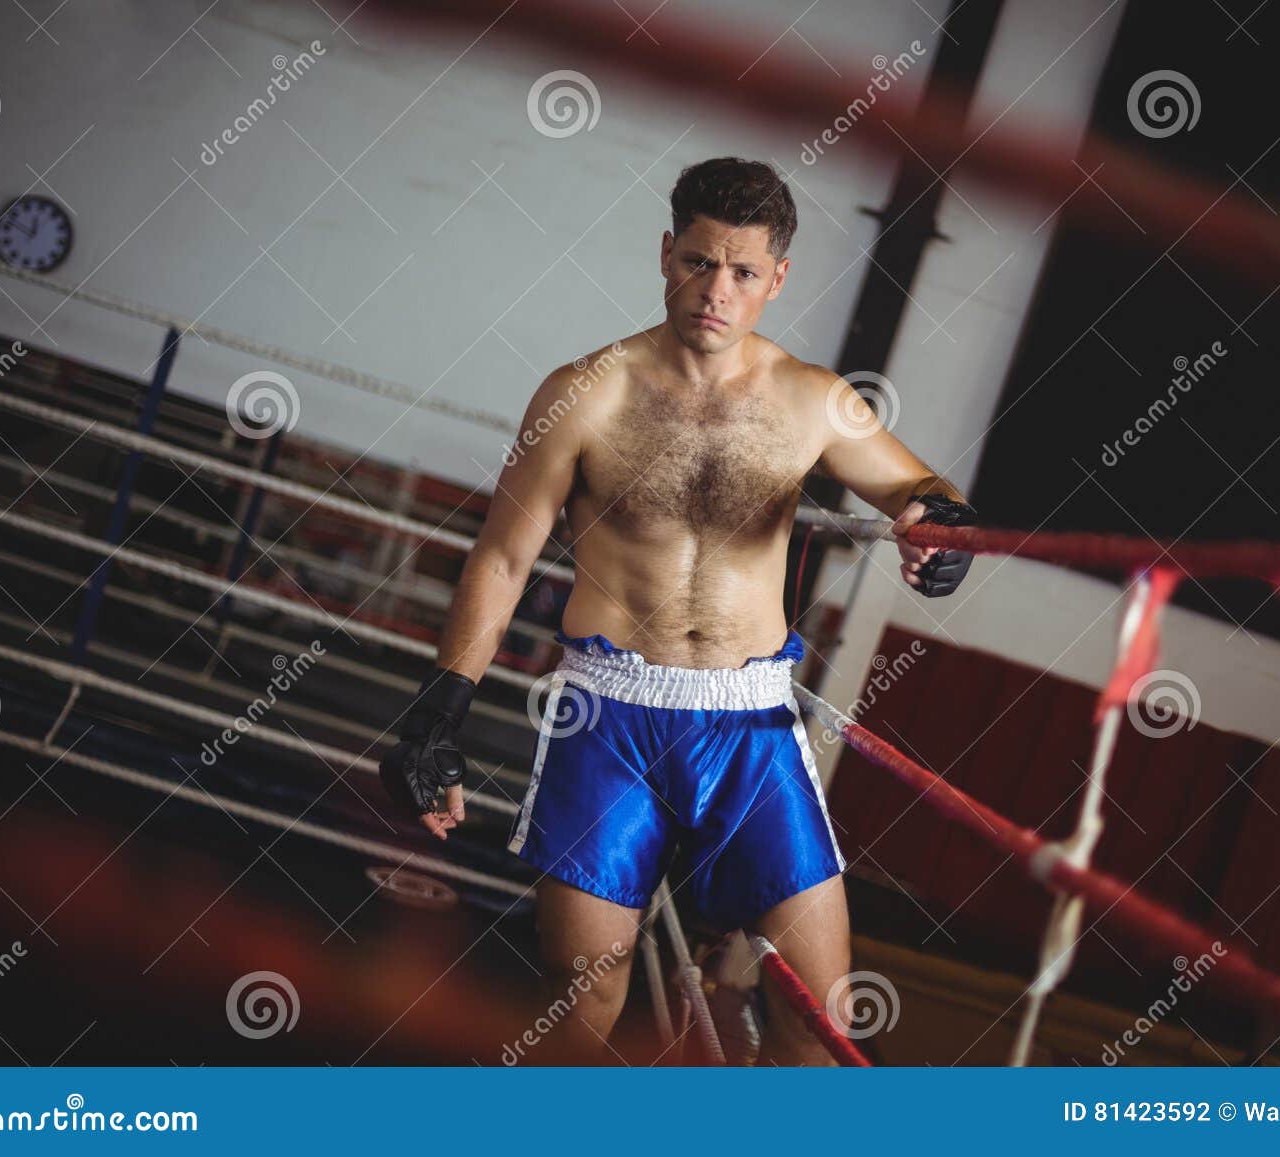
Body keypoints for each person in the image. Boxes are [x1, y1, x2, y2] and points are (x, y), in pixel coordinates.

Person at [380, 157, 980, 1063]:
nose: (715, 290)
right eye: (699, 261)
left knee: (824, 1021)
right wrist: (443, 701)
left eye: (742, 272)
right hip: (606, 715)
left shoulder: (811, 400)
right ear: (666, 254)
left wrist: (936, 530)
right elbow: (504, 555)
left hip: (751, 725)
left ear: (777, 279)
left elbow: (925, 488)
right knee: (583, 1002)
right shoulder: (584, 392)